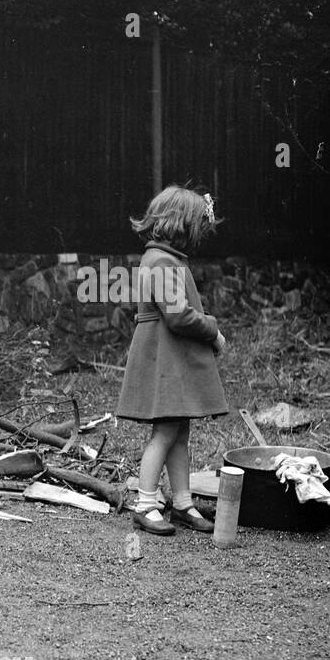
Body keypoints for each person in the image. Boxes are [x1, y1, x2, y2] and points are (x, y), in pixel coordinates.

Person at [116, 185, 227, 535]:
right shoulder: (162, 261)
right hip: (164, 358)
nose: (199, 236)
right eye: (197, 228)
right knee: (164, 432)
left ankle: (182, 502)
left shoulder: (168, 258)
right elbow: (178, 316)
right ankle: (145, 504)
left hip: (171, 357)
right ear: (181, 225)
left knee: (179, 433)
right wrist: (212, 330)